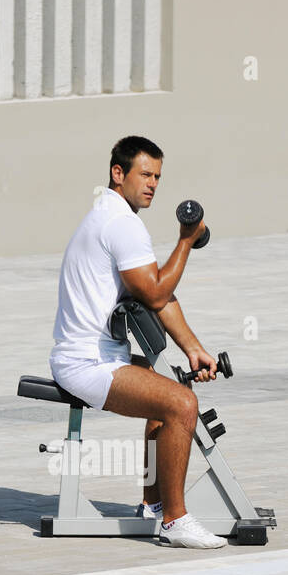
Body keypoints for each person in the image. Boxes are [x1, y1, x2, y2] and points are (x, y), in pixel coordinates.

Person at [49, 136, 226, 549]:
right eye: (145, 174)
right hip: (86, 364)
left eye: (157, 177)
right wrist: (186, 240)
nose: (152, 184)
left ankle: (152, 505)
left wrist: (193, 349)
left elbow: (155, 296)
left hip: (92, 357)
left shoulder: (110, 217)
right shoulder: (121, 224)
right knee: (182, 404)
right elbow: (159, 293)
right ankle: (174, 522)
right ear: (118, 173)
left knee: (170, 393)